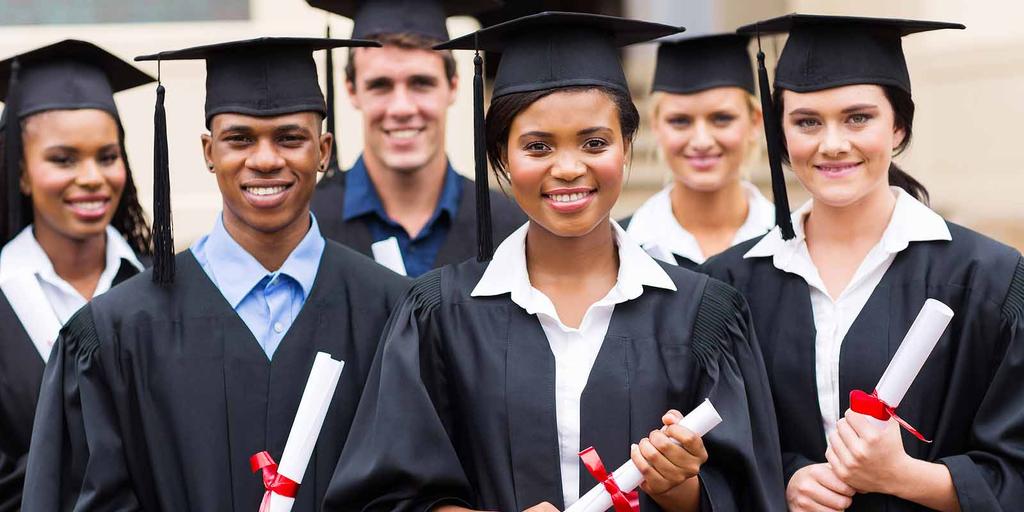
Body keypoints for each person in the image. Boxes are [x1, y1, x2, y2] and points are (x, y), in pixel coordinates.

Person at [324, 12, 785, 511]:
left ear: (627, 145)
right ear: (500, 155)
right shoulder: (439, 315)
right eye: (537, 146)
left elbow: (753, 493)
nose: (568, 168)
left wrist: (680, 488)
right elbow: (388, 498)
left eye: (595, 143)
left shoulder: (704, 316)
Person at [22, 37, 409, 510]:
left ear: (323, 151)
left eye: (290, 137)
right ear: (208, 151)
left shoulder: (396, 315)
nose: (265, 159)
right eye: (239, 138)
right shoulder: (116, 332)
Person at [702, 14, 1024, 511]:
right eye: (807, 121)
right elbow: (717, 459)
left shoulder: (987, 279)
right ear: (780, 134)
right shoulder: (728, 285)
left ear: (897, 127)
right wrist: (785, 481)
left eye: (858, 117)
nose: (832, 143)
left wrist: (906, 476)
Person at [0, 40, 152, 511]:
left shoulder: (165, 288)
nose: (91, 177)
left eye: (107, 156)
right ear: (21, 172)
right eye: (63, 159)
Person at [307, 0, 525, 277]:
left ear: (453, 85)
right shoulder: (306, 227)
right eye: (380, 85)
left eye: (421, 83)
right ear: (351, 89)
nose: (402, 108)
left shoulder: (511, 231)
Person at [624, 34, 774, 269]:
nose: (701, 141)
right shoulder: (621, 248)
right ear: (655, 126)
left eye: (722, 118)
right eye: (680, 121)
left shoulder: (791, 241)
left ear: (755, 122)